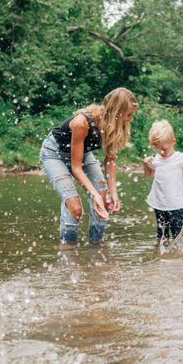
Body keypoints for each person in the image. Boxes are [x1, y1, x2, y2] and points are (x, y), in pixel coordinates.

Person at [39, 87, 138, 246]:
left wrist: (113, 193)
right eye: (128, 115)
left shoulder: (113, 125)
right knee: (75, 207)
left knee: (104, 199)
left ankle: (96, 249)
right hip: (54, 154)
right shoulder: (82, 122)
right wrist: (94, 195)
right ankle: (69, 252)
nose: (130, 119)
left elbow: (110, 159)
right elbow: (76, 167)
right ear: (116, 113)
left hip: (81, 153)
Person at [143, 120, 183, 243]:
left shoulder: (180, 158)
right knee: (161, 235)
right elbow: (148, 175)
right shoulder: (156, 159)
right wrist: (145, 164)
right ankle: (159, 256)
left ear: (173, 141)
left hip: (175, 205)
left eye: (164, 149)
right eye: (158, 149)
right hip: (159, 203)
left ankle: (178, 258)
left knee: (177, 235)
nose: (161, 152)